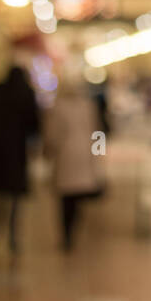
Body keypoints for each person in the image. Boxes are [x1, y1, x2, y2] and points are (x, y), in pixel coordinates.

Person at [0, 63, 40, 265]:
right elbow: (34, 125)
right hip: (16, 154)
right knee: (14, 198)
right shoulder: (26, 94)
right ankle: (12, 235)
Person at [45, 76, 105, 251]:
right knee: (79, 196)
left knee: (66, 198)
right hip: (85, 154)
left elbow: (52, 135)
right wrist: (98, 155)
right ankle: (73, 232)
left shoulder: (57, 108)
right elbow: (97, 131)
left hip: (66, 155)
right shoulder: (88, 106)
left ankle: (67, 235)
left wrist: (48, 152)